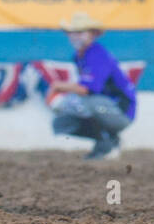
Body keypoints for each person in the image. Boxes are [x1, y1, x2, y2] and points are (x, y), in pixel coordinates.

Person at [50, 12, 137, 160]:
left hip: (120, 110)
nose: (76, 36)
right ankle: (105, 140)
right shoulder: (80, 56)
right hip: (104, 107)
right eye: (73, 32)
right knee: (62, 123)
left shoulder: (97, 55)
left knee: (85, 103)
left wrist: (59, 86)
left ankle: (107, 142)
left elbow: (88, 89)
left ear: (92, 34)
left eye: (80, 32)